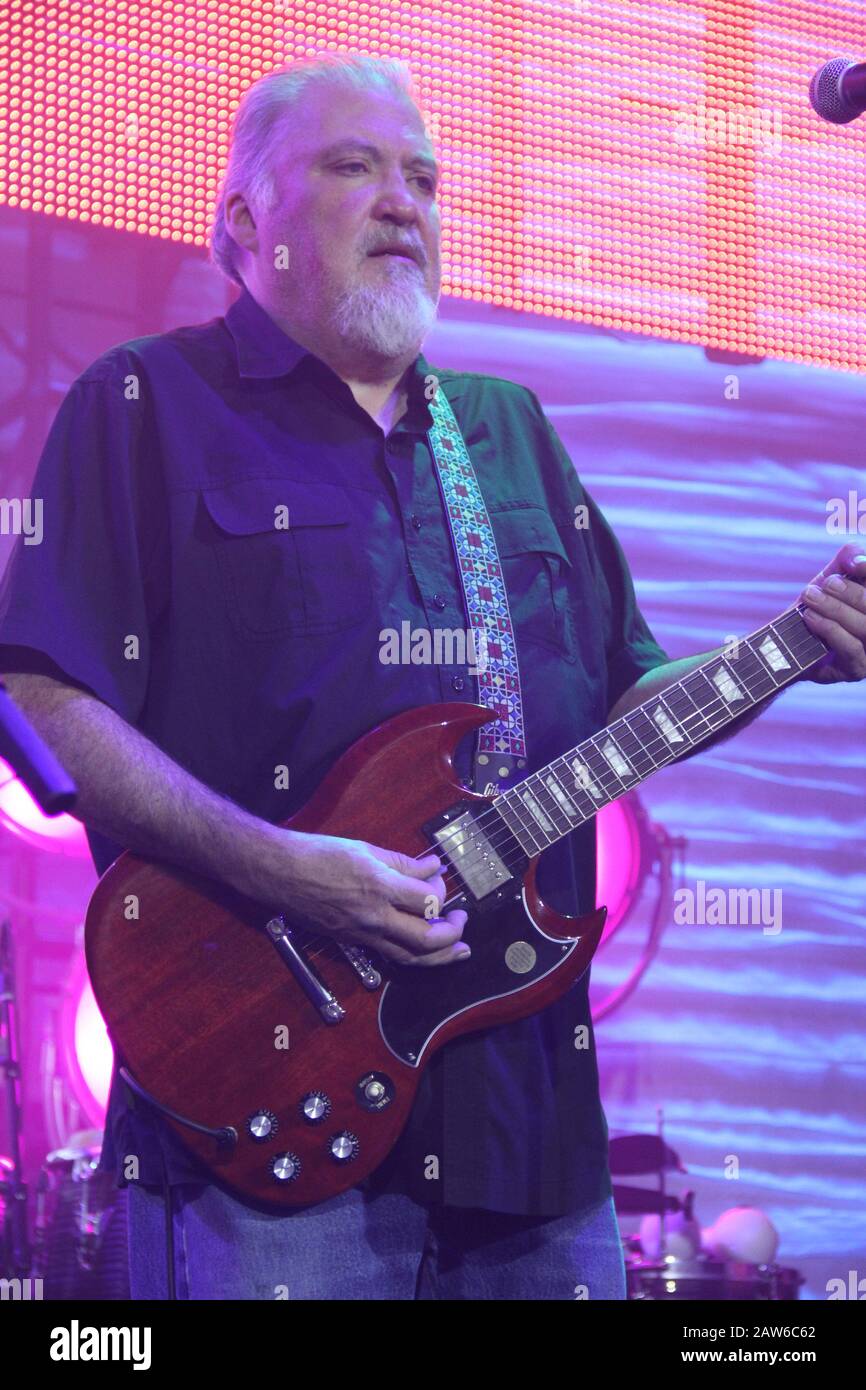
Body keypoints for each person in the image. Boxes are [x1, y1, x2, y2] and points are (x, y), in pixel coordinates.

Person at [1, 54, 863, 1302]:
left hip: (523, 1131)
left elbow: (615, 706)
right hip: (257, 1112)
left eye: (425, 177)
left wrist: (788, 650)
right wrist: (287, 868)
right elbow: (42, 696)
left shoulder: (505, 430)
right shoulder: (142, 404)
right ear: (244, 222)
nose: (403, 201)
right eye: (355, 168)